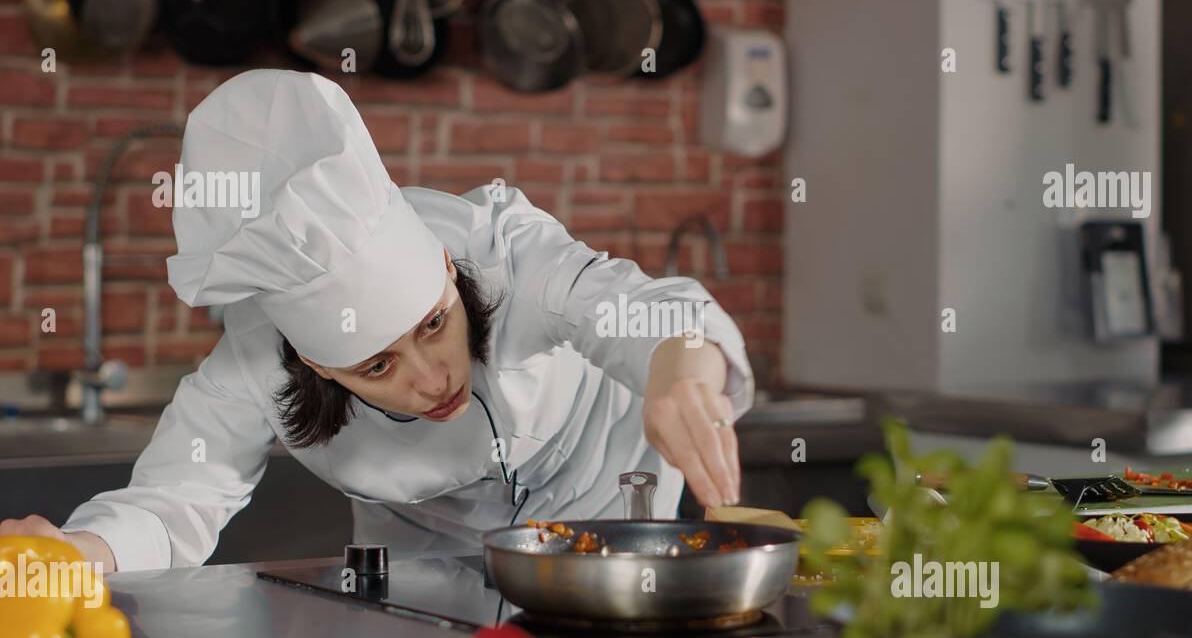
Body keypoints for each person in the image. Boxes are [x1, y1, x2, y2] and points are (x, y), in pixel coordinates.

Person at [0, 69, 753, 572]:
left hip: (602, 509)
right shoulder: (256, 361)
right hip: (423, 558)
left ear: (450, 274)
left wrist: (681, 368)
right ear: (318, 365)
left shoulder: (505, 254)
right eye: (376, 365)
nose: (434, 381)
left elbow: (654, 312)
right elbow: (173, 502)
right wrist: (76, 552)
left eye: (433, 324)